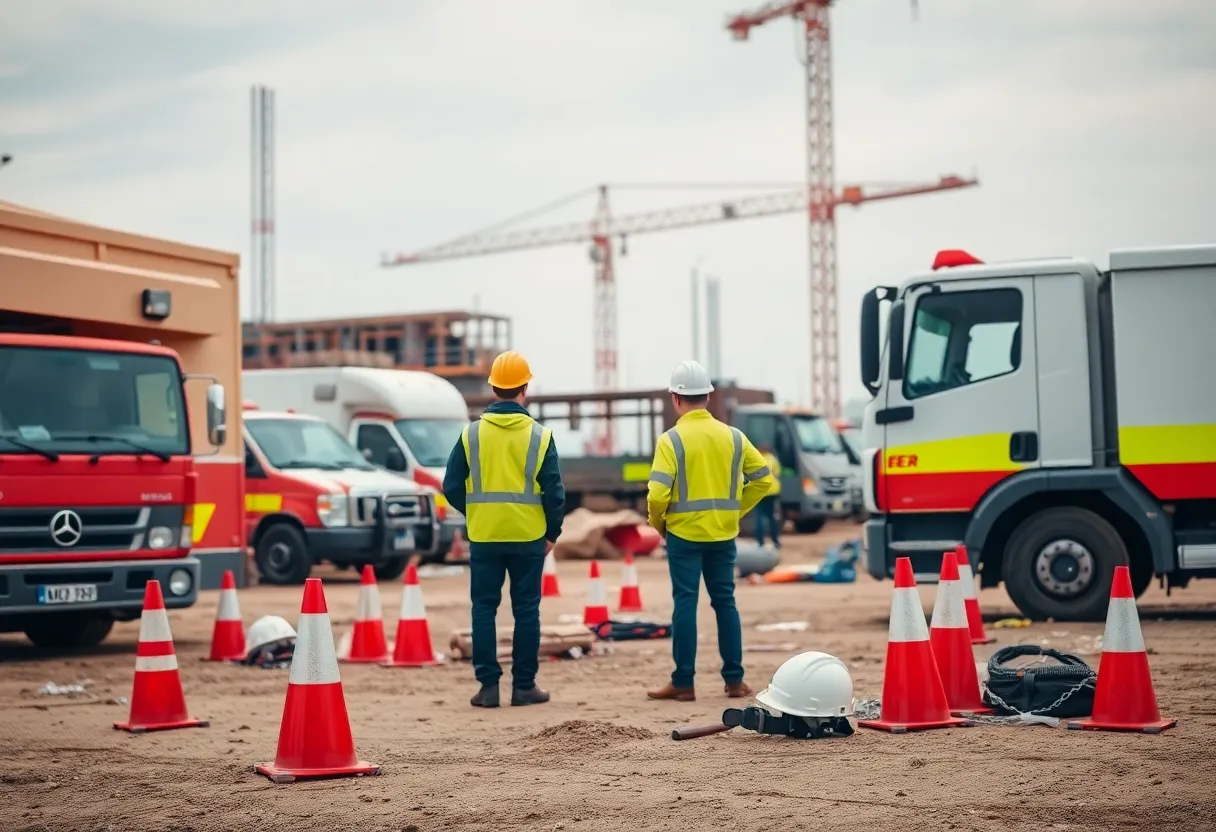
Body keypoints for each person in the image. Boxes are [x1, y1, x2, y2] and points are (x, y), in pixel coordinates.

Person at [645, 359, 775, 702]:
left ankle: (683, 683)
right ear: (709, 397)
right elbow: (763, 479)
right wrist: (733, 510)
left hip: (684, 537)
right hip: (722, 535)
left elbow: (658, 494)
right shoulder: (733, 437)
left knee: (685, 604)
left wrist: (660, 524)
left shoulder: (670, 441)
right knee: (725, 603)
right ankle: (734, 680)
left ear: (675, 398)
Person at [442, 350, 565, 708]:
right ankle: (524, 687)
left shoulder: (471, 435)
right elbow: (555, 493)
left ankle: (488, 688)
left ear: (493, 387)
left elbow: (451, 486)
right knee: (526, 610)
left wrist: (477, 512)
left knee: (484, 609)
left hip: (485, 536)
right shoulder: (540, 436)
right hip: (529, 537)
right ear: (525, 387)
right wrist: (551, 533)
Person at [754, 443, 783, 550]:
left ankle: (760, 542)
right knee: (772, 517)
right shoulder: (772, 459)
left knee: (759, 518)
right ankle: (776, 541)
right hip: (773, 491)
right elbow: (777, 474)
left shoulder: (755, 458)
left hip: (759, 492)